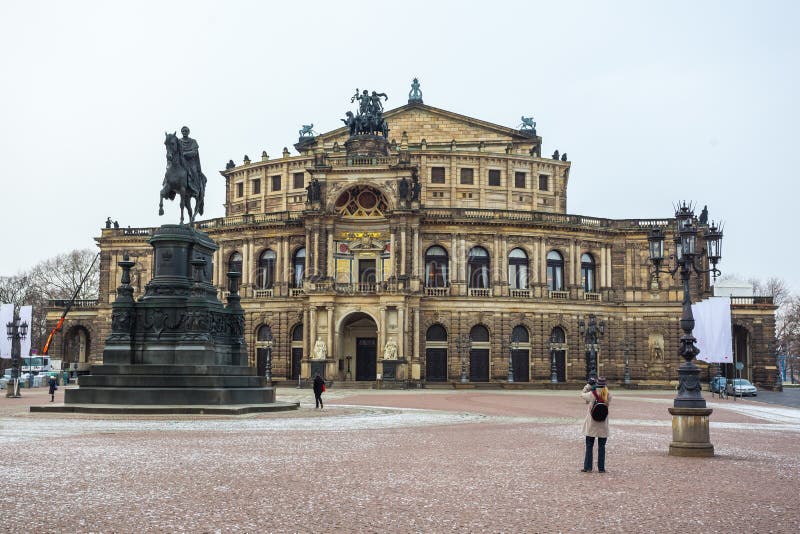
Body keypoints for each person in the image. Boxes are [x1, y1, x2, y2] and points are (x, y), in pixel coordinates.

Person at [580, 376, 610, 473]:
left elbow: (582, 394)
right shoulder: (608, 394)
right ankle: (601, 468)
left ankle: (588, 467)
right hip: (603, 424)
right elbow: (605, 391)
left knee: (589, 446)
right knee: (602, 446)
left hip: (592, 424)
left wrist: (588, 385)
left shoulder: (591, 394)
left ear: (596, 384)